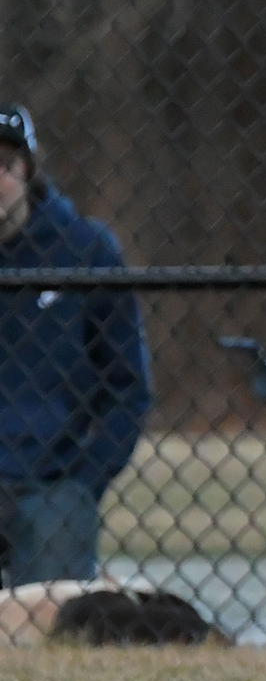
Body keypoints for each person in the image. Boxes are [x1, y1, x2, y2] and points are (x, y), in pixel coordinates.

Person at [0, 103, 151, 586]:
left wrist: (86, 479)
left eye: (1, 166)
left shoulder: (85, 249)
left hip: (54, 479)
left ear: (24, 169)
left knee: (52, 626)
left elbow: (128, 386)